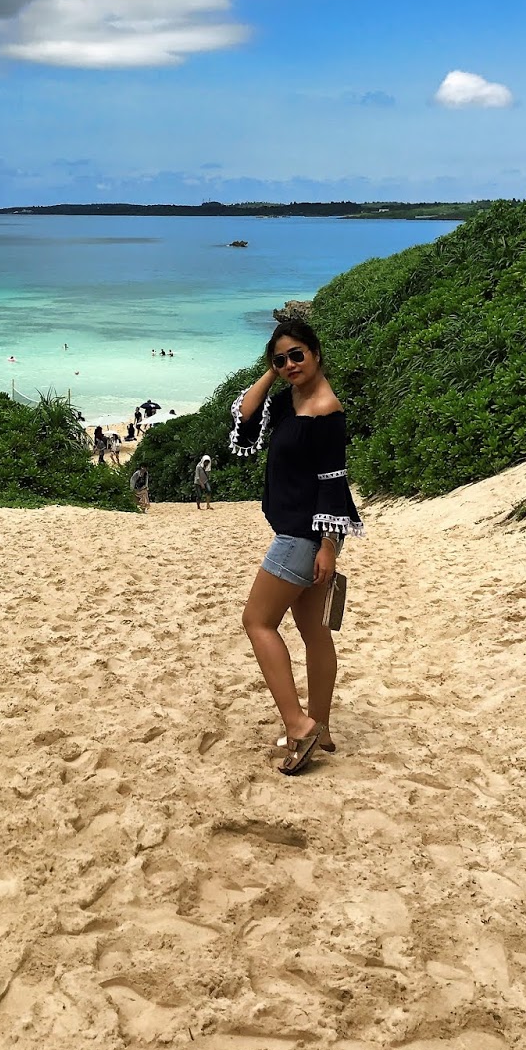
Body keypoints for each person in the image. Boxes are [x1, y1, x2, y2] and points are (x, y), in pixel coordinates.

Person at [230, 319, 364, 776]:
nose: (290, 365)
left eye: (297, 356)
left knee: (257, 621)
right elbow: (245, 418)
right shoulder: (291, 400)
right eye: (281, 358)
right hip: (305, 531)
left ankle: (298, 725)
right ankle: (320, 727)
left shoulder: (324, 409)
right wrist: (271, 373)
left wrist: (327, 545)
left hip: (303, 534)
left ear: (317, 353)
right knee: (312, 628)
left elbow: (333, 480)